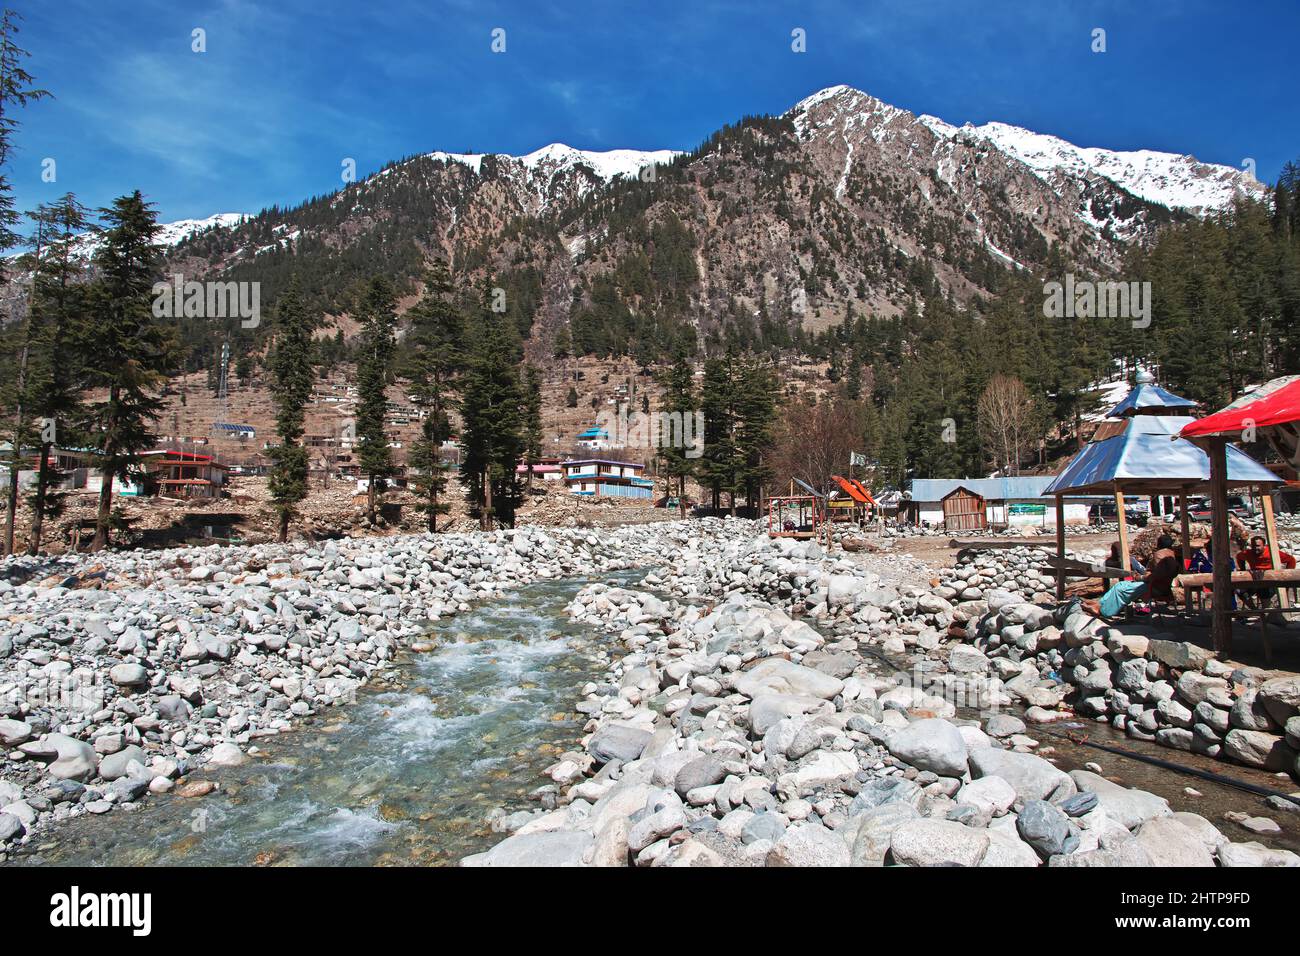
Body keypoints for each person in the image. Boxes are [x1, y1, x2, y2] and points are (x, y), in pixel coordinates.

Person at [1090, 535, 1181, 619]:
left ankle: (1103, 611)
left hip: (1153, 587)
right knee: (1120, 584)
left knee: (1120, 590)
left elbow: (1155, 576)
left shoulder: (1160, 556)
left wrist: (1140, 578)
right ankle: (1100, 604)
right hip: (1162, 587)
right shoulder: (1171, 555)